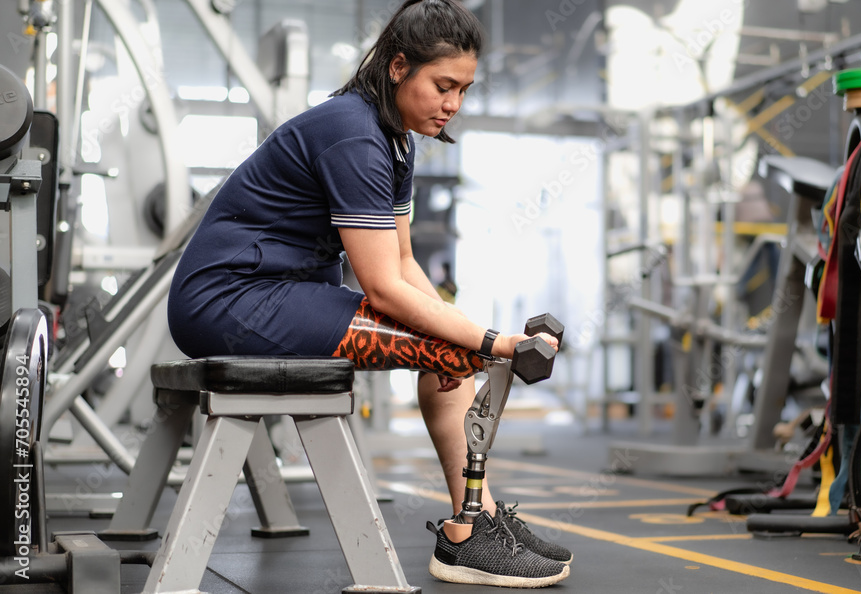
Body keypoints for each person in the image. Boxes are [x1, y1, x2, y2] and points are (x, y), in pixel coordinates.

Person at [166, 0, 570, 588]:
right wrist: (493, 341)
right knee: (447, 349)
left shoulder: (395, 139)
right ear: (399, 67)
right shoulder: (351, 132)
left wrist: (472, 332)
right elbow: (381, 287)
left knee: (450, 348)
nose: (454, 103)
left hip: (281, 294)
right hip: (230, 301)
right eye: (444, 85)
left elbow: (404, 264)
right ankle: (469, 531)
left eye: (465, 89)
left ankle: (473, 521)